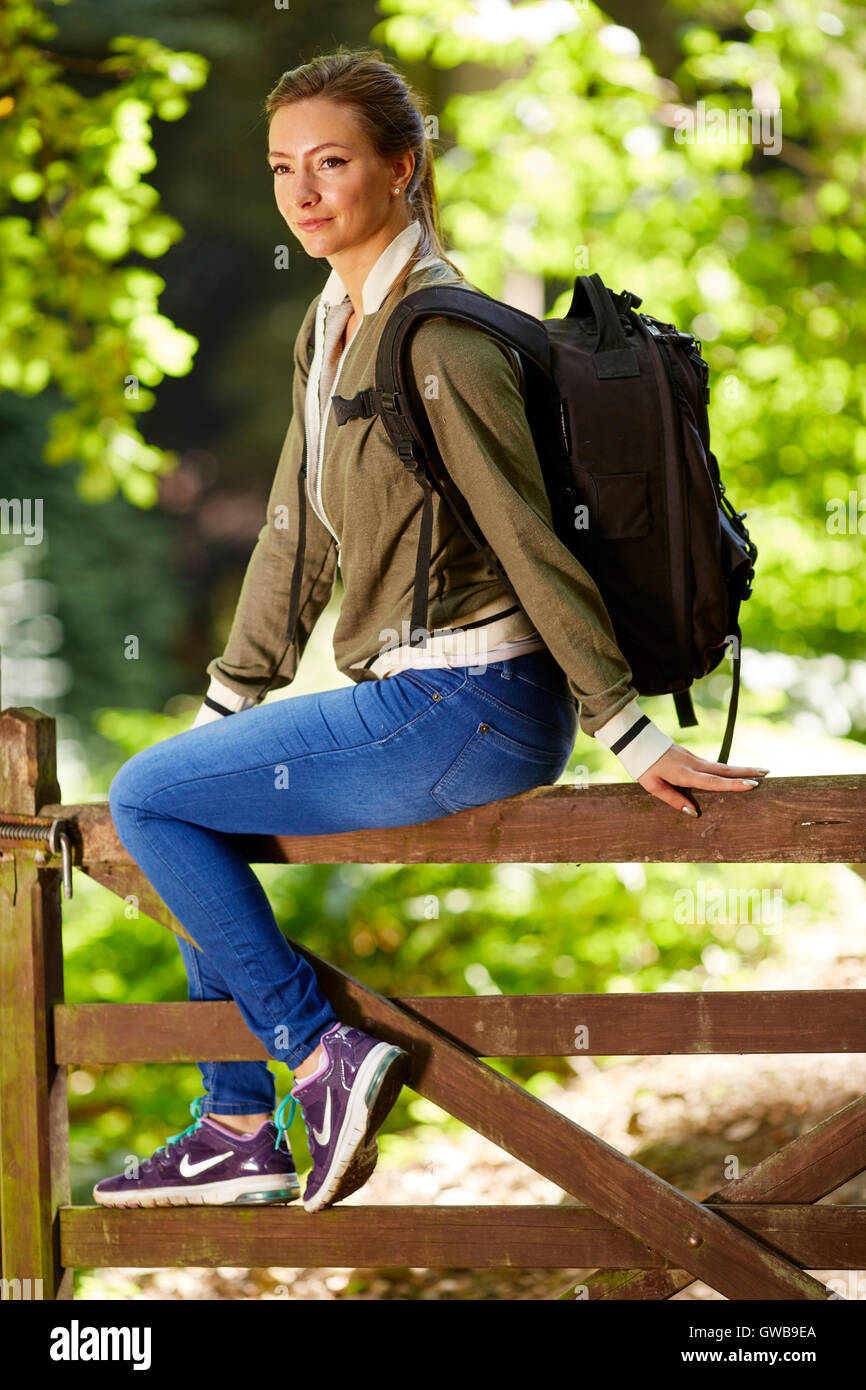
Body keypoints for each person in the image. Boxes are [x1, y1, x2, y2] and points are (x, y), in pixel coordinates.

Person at [98, 47, 769, 1215]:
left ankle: (315, 1057)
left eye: (332, 163)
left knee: (148, 798)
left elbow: (527, 540)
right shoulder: (333, 324)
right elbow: (293, 539)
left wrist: (623, 728)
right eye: (282, 169)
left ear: (401, 169)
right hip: (420, 699)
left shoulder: (436, 337)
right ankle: (238, 1126)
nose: (302, 193)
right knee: (180, 788)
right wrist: (229, 698)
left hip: (475, 702)